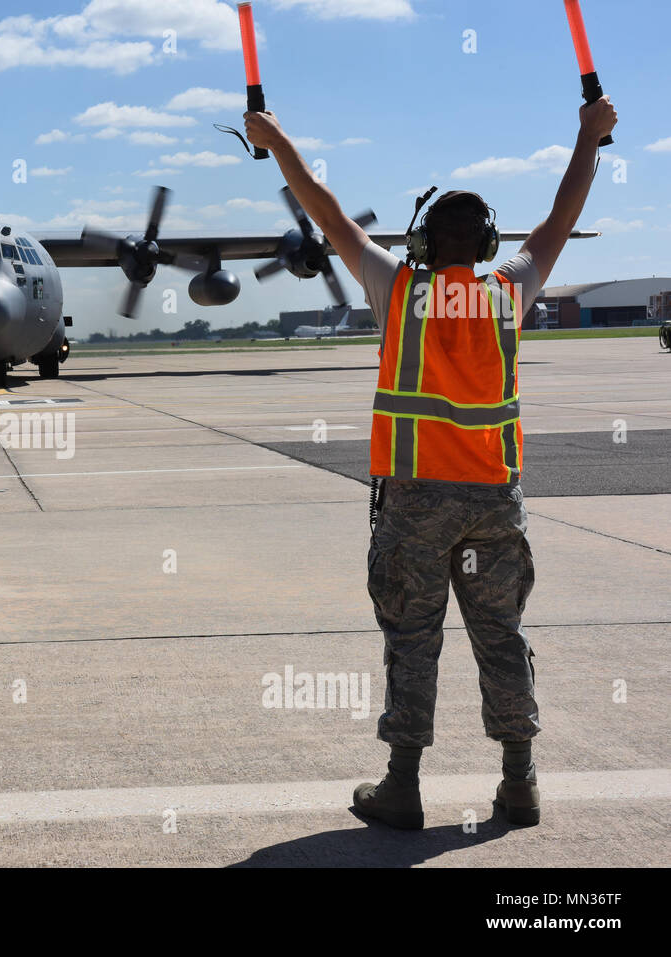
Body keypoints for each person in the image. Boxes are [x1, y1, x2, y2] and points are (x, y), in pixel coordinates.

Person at [243, 96, 619, 829]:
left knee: (412, 639)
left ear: (422, 242)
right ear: (483, 247)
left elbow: (329, 216)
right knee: (501, 635)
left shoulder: (398, 288)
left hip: (416, 503)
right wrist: (588, 137)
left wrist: (278, 138)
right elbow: (559, 219)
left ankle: (403, 785)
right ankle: (520, 782)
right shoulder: (508, 292)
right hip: (493, 501)